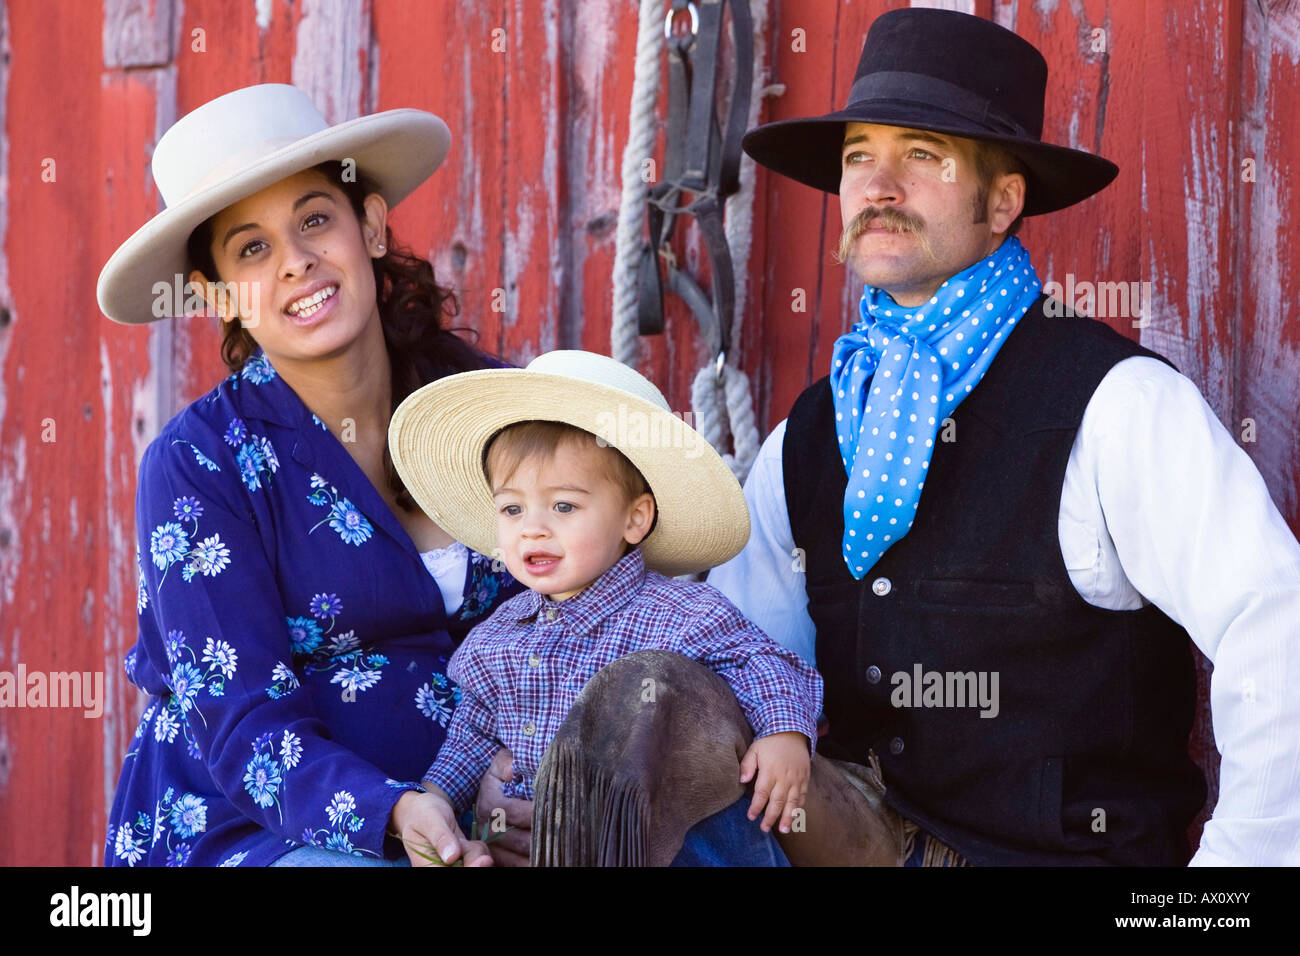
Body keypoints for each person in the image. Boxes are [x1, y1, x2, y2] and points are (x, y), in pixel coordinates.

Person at [708, 8, 1300, 866]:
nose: (878, 186)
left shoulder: (1115, 405)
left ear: (1005, 200)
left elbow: (1275, 626)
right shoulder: (807, 435)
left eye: (921, 155)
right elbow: (740, 659)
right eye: (858, 156)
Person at [96, 84, 521, 866]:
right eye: (252, 248)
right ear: (217, 294)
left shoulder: (490, 410)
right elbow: (240, 724)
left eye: (316, 219)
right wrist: (391, 812)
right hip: (256, 834)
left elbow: (583, 611)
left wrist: (518, 768)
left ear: (370, 224)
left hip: (483, 817)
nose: (296, 263)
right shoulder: (199, 465)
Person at [384, 350, 825, 865]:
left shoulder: (682, 614)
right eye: (511, 508)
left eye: (564, 506)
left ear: (634, 520)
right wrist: (437, 801)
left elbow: (764, 663)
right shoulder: (497, 637)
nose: (533, 527)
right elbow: (472, 738)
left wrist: (783, 733)